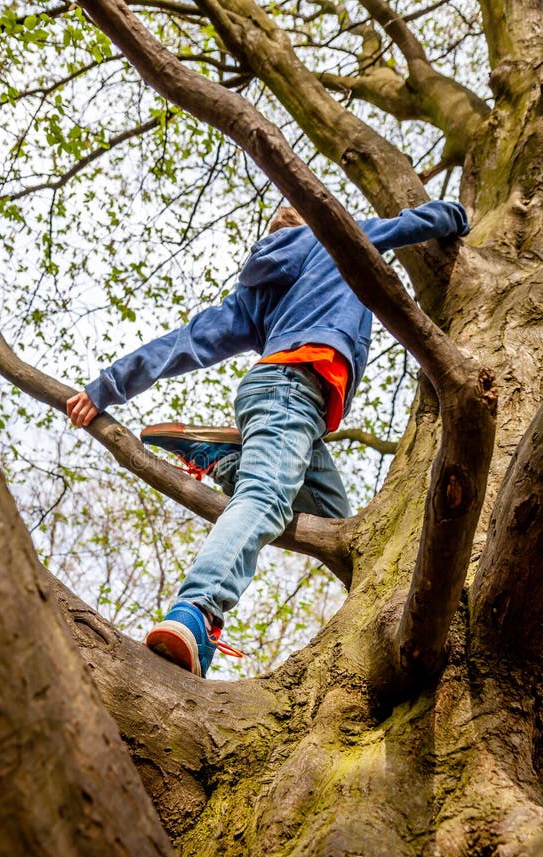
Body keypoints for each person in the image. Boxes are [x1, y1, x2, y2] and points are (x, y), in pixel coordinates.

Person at [67, 199, 469, 677]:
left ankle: (228, 460)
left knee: (350, 535)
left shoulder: (255, 290)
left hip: (289, 404)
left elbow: (185, 342)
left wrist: (109, 385)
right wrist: (460, 217)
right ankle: (197, 612)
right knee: (266, 498)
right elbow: (414, 223)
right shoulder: (336, 238)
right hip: (291, 393)